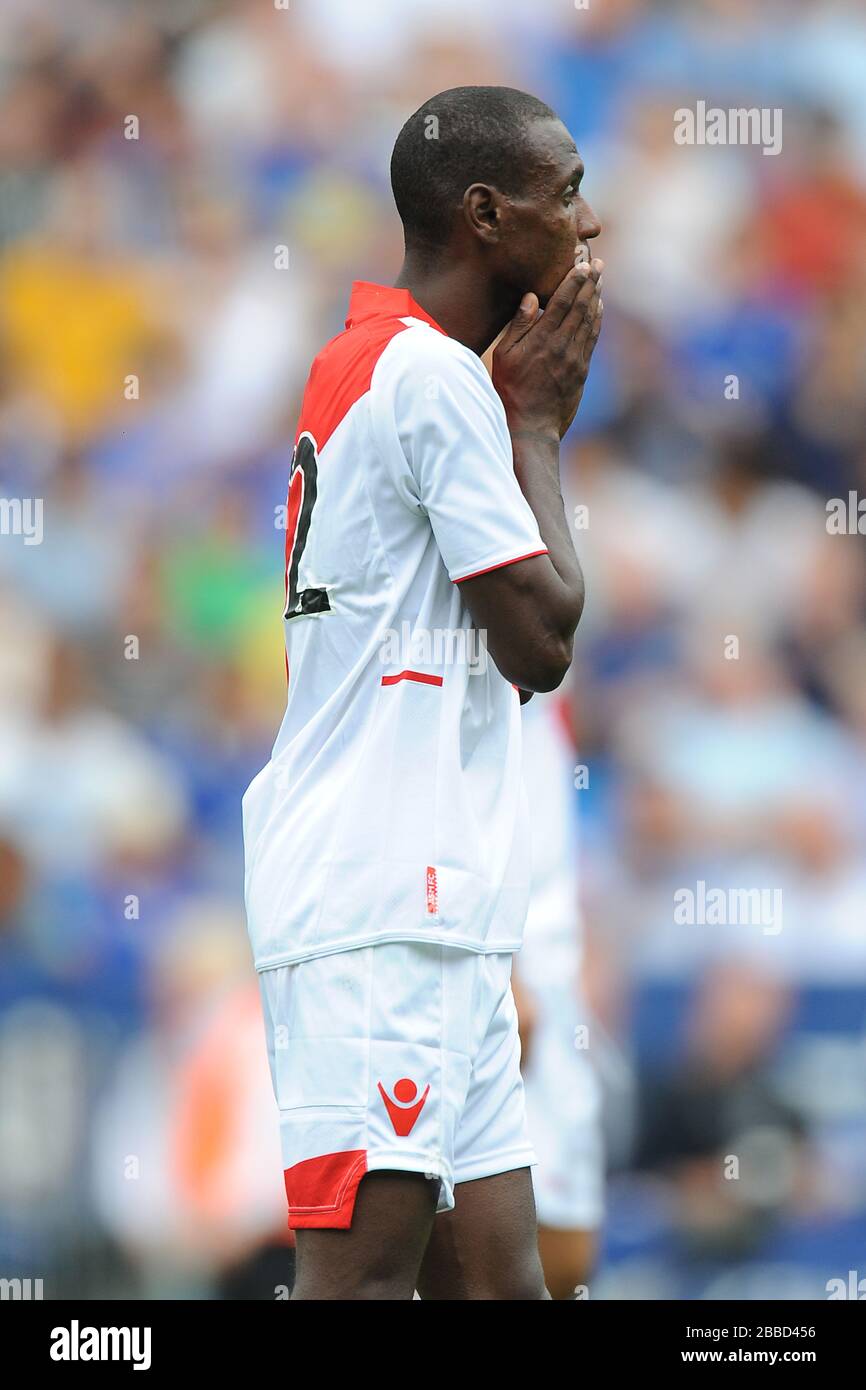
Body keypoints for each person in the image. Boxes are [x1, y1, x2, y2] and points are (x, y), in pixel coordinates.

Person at [242, 85, 603, 1300]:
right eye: (565, 195)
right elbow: (540, 643)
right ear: (488, 216)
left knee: (505, 1285)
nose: (587, 224)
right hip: (374, 907)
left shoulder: (370, 363)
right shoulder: (433, 381)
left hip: (433, 908)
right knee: (360, 1285)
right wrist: (540, 428)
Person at [515, 691, 604, 1299]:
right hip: (511, 995)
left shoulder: (542, 703)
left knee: (569, 1259)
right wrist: (505, 975)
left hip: (552, 987)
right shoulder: (462, 680)